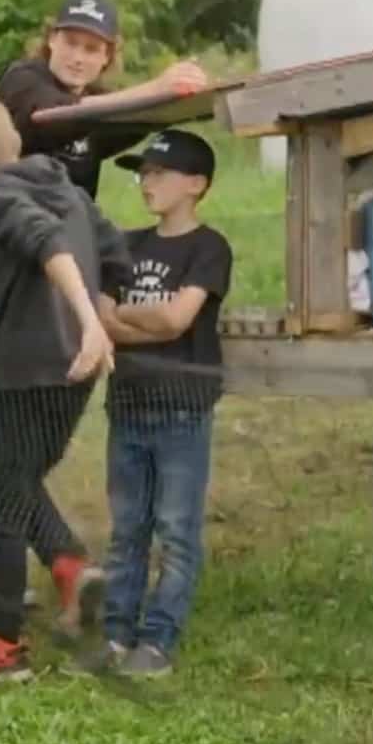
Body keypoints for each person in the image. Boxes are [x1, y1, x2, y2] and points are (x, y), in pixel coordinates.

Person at [0, 0, 207, 636]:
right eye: (71, 41)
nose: (79, 56)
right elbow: (55, 118)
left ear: (107, 56)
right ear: (50, 40)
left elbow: (125, 125)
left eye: (93, 48)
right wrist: (153, 88)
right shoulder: (23, 83)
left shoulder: (98, 113)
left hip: (43, 289)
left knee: (5, 435)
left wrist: (184, 93)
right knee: (2, 433)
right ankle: (3, 568)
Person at [0, 96, 126, 681]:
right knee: (15, 479)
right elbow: (116, 254)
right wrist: (96, 318)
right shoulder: (69, 187)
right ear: (16, 142)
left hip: (28, 369)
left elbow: (45, 242)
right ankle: (68, 566)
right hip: (74, 374)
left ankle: (2, 648)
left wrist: (88, 322)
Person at [78, 129, 231, 680]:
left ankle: (159, 638)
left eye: (159, 173)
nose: (147, 183)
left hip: (182, 409)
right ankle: (116, 634)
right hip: (129, 403)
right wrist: (137, 322)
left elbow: (177, 320)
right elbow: (103, 318)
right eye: (143, 173)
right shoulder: (126, 244)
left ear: (196, 184)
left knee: (176, 529)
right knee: (128, 528)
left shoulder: (208, 248)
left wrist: (126, 319)